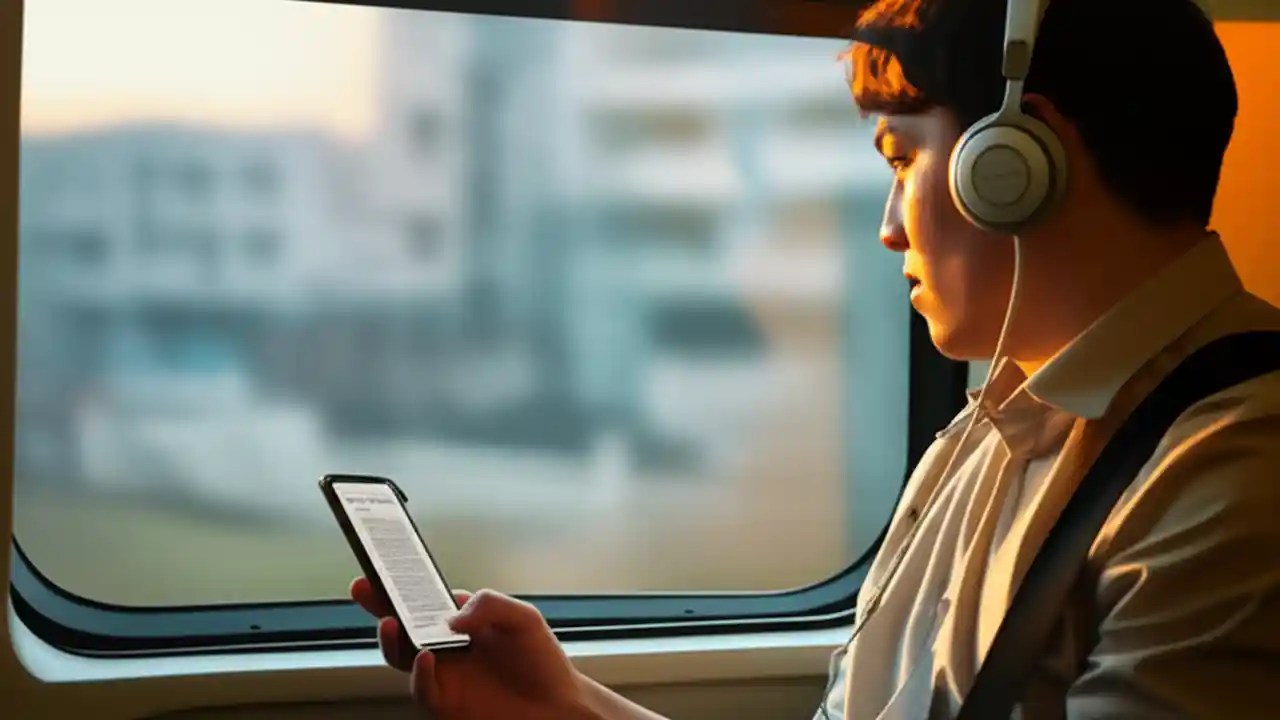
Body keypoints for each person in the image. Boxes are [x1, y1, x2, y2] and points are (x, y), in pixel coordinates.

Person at [351, 0, 1280, 717]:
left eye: (903, 159)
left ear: (1018, 160)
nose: (885, 228)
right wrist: (566, 702)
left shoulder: (1234, 482)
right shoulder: (995, 429)